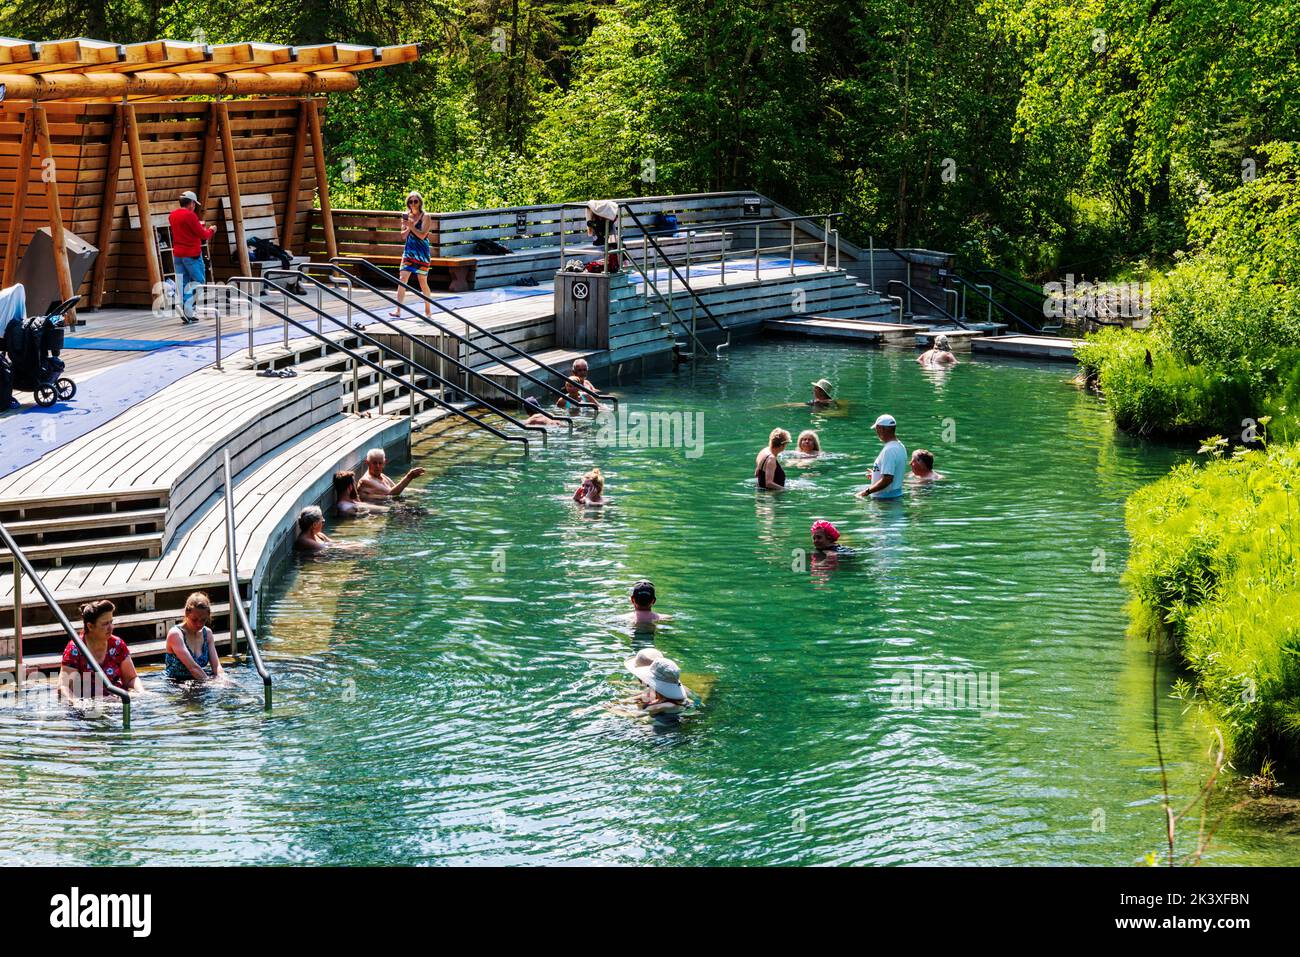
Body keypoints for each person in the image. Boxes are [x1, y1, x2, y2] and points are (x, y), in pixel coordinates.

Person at [59, 600, 146, 701]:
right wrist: (77, 704)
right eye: (105, 624)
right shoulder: (75, 648)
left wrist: (141, 693)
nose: (111, 627)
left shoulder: (117, 645)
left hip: (115, 700)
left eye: (111, 622)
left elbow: (131, 678)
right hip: (88, 705)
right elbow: (63, 687)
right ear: (90, 626)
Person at [168, 190, 215, 324]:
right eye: (194, 204)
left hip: (178, 254)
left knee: (183, 282)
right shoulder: (190, 216)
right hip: (192, 254)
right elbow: (203, 235)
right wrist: (212, 229)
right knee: (199, 281)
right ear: (192, 203)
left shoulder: (172, 216)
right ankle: (187, 307)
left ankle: (185, 309)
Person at [163, 592, 224, 683]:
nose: (199, 624)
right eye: (194, 620)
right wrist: (211, 684)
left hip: (199, 680)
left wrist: (223, 679)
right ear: (186, 614)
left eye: (203, 620)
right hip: (175, 684)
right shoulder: (175, 634)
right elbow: (193, 668)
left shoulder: (207, 633)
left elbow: (216, 666)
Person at [390, 192, 434, 319]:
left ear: (420, 202)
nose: (413, 204)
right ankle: (398, 309)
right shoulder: (406, 216)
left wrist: (411, 226)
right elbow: (403, 236)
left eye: (415, 201)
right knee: (402, 278)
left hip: (421, 252)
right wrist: (408, 226)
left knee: (422, 281)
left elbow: (422, 235)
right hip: (409, 251)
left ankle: (427, 310)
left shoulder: (426, 216)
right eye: (410, 201)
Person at [623, 648, 691, 714]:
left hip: (661, 723)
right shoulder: (682, 695)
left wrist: (613, 709)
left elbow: (633, 715)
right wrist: (630, 699)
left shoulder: (656, 707)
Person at [857, 414, 908, 499]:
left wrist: (866, 492)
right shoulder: (900, 446)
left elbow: (887, 480)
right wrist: (876, 474)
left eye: (876, 429)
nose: (876, 432)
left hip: (885, 500)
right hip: (895, 496)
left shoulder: (889, 450)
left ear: (881, 429)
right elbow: (894, 473)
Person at [356, 448, 425, 502]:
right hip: (375, 513)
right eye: (374, 463)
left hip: (388, 506)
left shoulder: (382, 476)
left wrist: (419, 492)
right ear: (367, 463)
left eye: (380, 463)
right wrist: (409, 477)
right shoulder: (366, 480)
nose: (377, 466)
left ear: (384, 463)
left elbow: (397, 488)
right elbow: (391, 494)